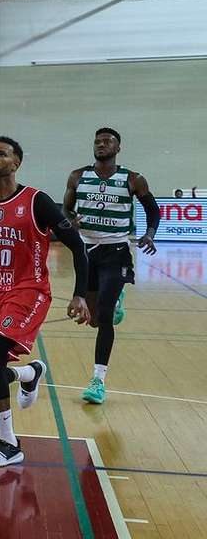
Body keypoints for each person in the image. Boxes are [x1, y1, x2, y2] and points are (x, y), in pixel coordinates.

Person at [0, 136, 91, 467]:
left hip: (29, 292)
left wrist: (80, 293)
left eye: (1, 153)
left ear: (16, 162)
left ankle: (8, 443)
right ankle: (29, 373)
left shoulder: (37, 201)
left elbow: (77, 246)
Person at [62, 127, 160, 405]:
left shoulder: (132, 179)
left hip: (116, 251)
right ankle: (116, 300)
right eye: (98, 141)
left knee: (104, 315)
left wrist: (149, 234)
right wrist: (70, 220)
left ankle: (98, 381)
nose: (102, 144)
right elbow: (65, 209)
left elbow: (153, 210)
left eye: (108, 141)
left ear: (118, 148)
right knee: (93, 319)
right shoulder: (78, 176)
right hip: (86, 251)